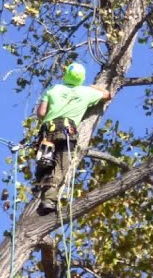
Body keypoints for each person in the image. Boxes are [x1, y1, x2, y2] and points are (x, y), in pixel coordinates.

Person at [32, 61, 111, 216]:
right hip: (66, 133)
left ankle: (39, 185)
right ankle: (48, 201)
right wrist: (91, 87)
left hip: (47, 132)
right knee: (60, 167)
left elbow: (41, 113)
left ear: (66, 74)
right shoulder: (86, 92)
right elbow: (108, 95)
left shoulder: (54, 89)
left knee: (45, 163)